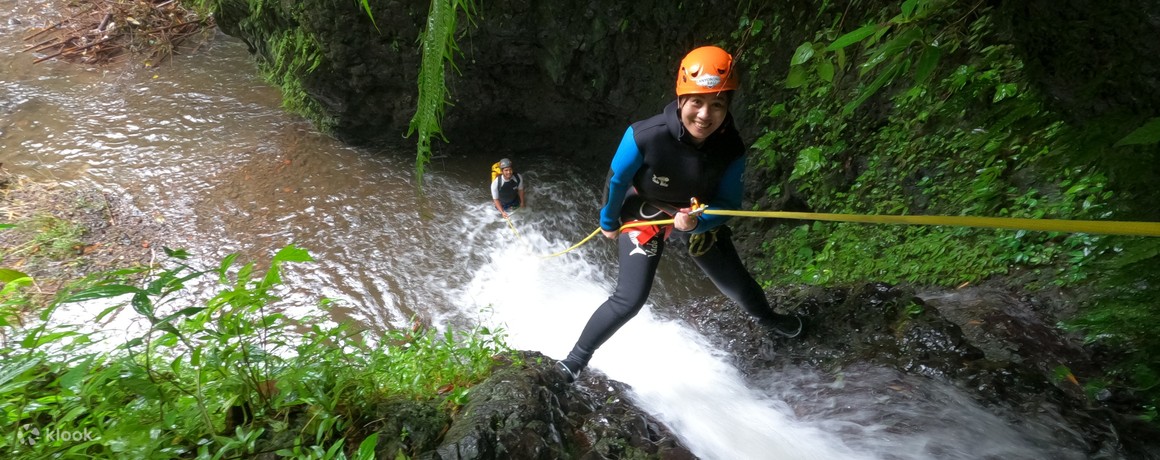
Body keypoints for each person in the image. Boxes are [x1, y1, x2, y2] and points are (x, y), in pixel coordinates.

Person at [556, 45, 802, 383]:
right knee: (630, 298)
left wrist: (697, 221)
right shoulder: (646, 135)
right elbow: (617, 180)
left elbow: (729, 202)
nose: (705, 115)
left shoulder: (730, 148)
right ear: (681, 99)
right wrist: (609, 221)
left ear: (728, 107)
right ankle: (574, 360)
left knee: (737, 282)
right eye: (696, 102)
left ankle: (769, 319)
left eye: (717, 105)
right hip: (646, 209)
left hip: (699, 212)